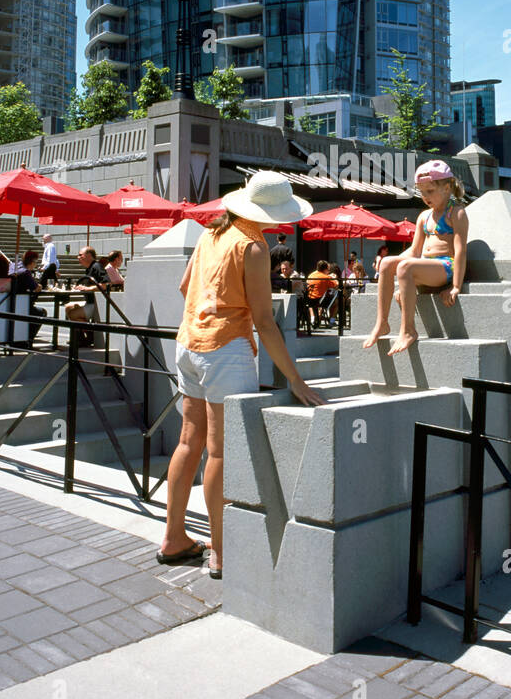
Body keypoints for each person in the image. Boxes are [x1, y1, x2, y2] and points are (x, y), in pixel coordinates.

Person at [159, 171, 325, 580]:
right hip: (226, 350)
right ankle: (220, 549)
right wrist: (296, 380)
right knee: (218, 451)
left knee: (187, 441)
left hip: (188, 342)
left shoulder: (210, 234)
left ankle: (174, 537)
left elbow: (185, 287)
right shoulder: (254, 247)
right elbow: (266, 323)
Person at [364, 159, 468, 355]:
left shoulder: (456, 213)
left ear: (447, 188)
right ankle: (382, 323)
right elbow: (414, 251)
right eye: (422, 192)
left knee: (405, 268)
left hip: (446, 265)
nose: (425, 197)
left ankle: (408, 330)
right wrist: (389, 263)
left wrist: (455, 286)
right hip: (427, 265)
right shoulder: (424, 216)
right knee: (387, 263)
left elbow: (460, 250)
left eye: (430, 191)